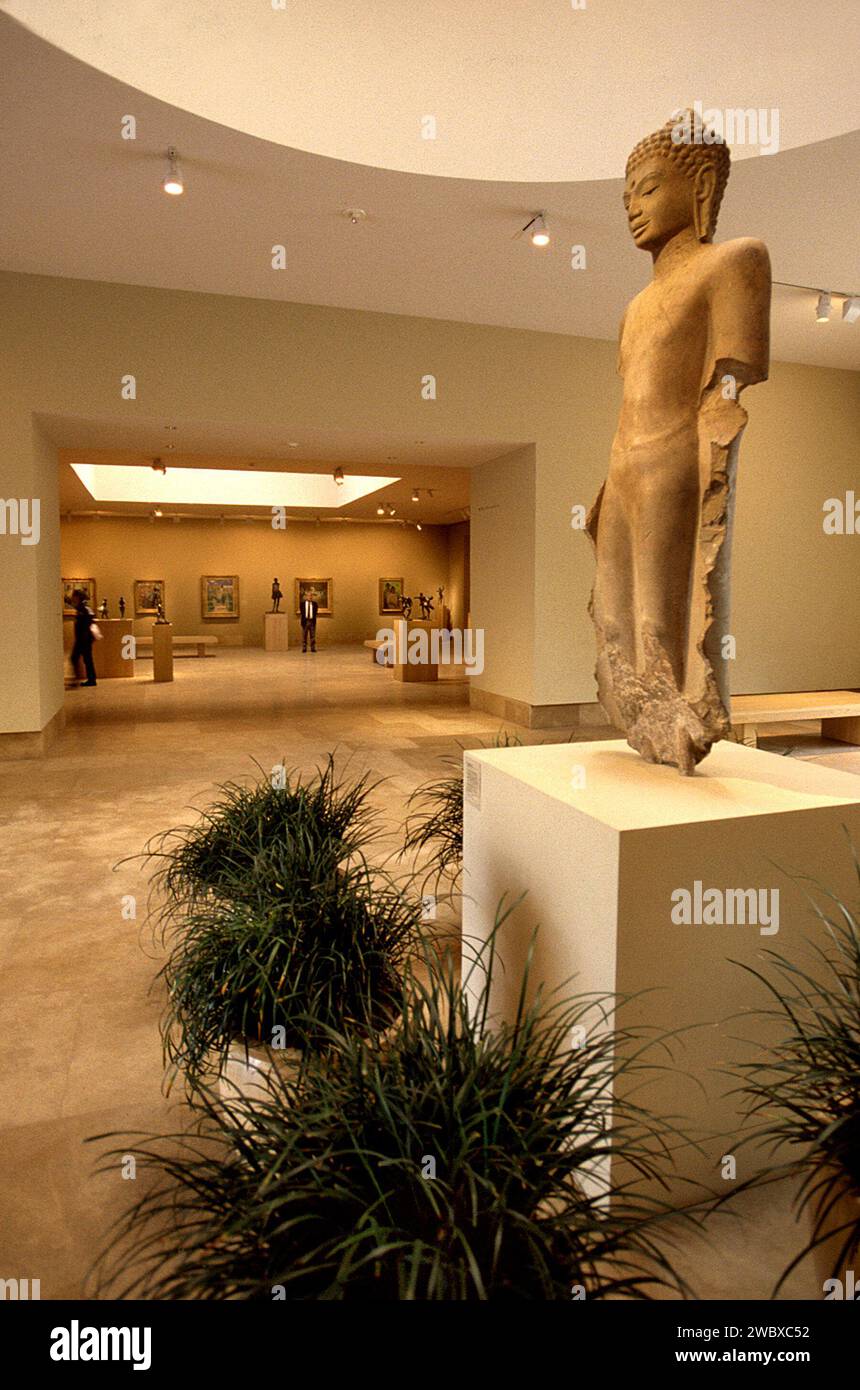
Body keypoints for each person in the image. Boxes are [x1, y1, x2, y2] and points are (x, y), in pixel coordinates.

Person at [587, 108, 769, 774]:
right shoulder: (635, 306)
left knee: (658, 625)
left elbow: (727, 387)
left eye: (648, 186)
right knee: (614, 624)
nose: (633, 207)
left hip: (670, 463)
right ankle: (645, 725)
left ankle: (680, 730)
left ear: (698, 187)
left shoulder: (734, 261)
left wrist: (713, 476)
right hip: (623, 468)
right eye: (627, 194)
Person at [70, 589, 98, 686]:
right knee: (86, 659)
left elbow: (86, 623)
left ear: (78, 597)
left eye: (74, 596)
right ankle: (91, 679)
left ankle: (90, 679)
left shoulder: (83, 608)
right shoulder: (84, 607)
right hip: (84, 638)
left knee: (79, 658)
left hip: (83, 639)